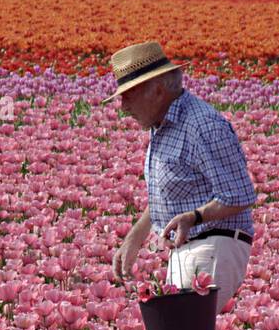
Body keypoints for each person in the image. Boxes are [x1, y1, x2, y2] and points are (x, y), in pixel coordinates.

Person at [105, 41, 257, 313]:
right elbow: (173, 193)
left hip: (213, 243)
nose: (123, 106)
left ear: (157, 90)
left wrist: (194, 217)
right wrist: (134, 238)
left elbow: (240, 196)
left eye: (128, 95)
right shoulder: (164, 125)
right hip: (189, 246)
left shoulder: (203, 126)